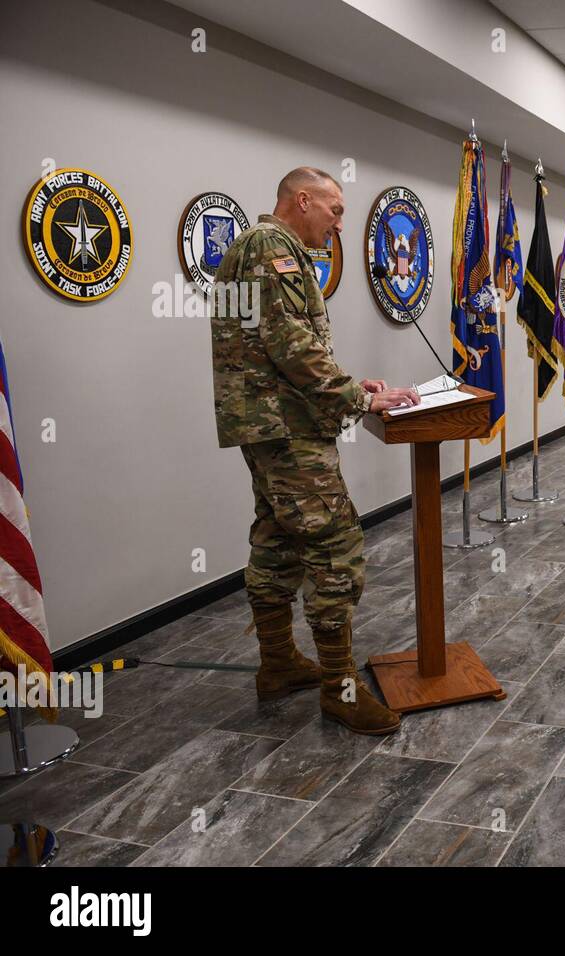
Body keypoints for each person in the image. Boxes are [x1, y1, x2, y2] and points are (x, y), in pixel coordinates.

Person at [210, 167, 419, 736]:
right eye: (334, 209)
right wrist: (362, 401)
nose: (340, 222)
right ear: (302, 200)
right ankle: (340, 690)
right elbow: (292, 345)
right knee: (335, 547)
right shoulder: (271, 249)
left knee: (277, 541)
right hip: (287, 432)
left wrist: (356, 383)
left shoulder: (254, 248)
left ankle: (277, 665)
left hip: (269, 426)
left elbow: (281, 348)